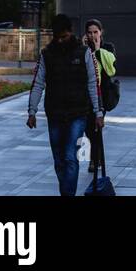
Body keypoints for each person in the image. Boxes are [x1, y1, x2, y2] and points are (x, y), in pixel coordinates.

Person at [26, 14, 103, 196]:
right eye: (57, 37)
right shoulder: (47, 54)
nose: (61, 41)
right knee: (59, 160)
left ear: (70, 33)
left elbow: (93, 83)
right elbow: (38, 83)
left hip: (78, 113)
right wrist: (32, 111)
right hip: (55, 113)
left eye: (64, 37)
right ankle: (66, 191)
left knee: (70, 156)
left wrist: (98, 113)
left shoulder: (84, 52)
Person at [83, 19, 118, 175]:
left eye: (95, 32)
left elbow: (110, 69)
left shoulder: (107, 48)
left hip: (101, 95)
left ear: (101, 32)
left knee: (96, 127)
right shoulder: (82, 49)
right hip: (85, 95)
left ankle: (94, 160)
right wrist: (84, 48)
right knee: (88, 129)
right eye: (89, 32)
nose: (92, 35)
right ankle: (96, 158)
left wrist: (97, 49)